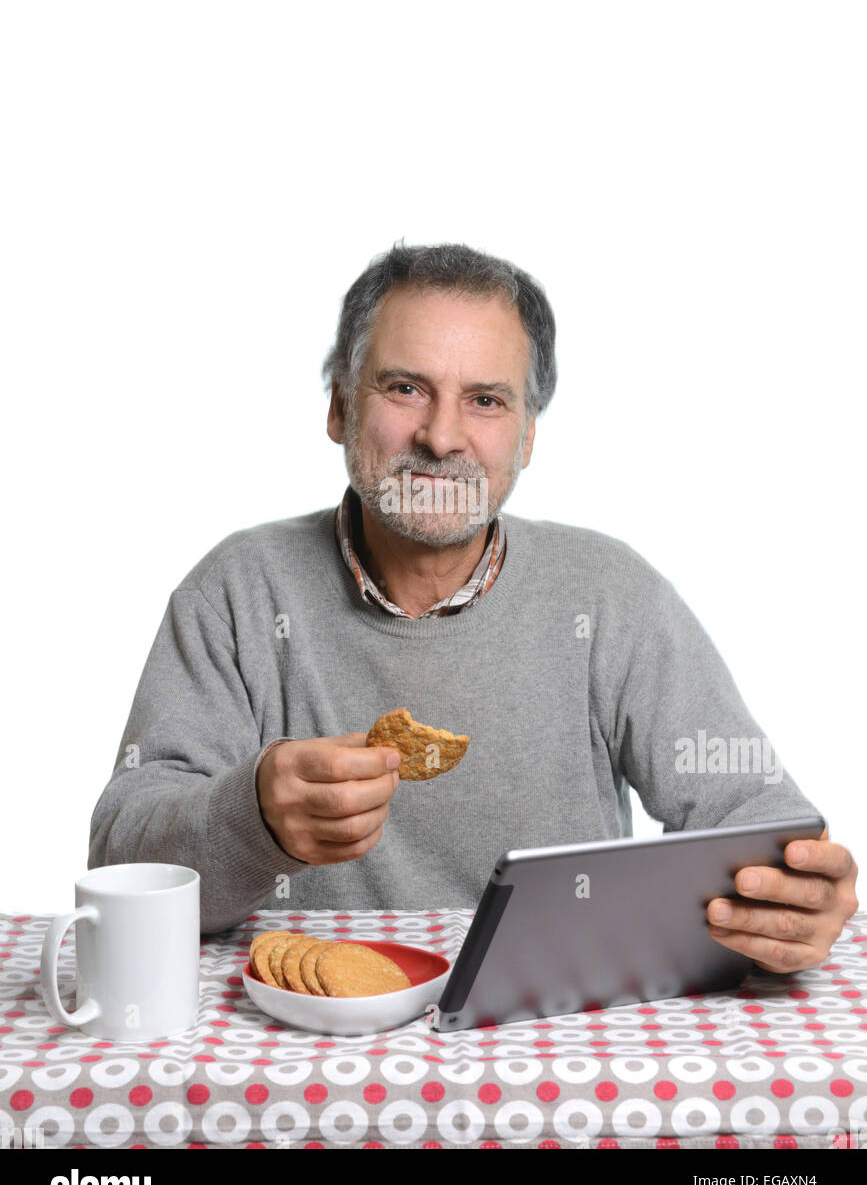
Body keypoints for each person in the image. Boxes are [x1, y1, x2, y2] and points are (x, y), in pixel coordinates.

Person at [89, 241, 858, 965]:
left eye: (485, 400)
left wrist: (796, 892)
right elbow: (122, 861)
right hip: (303, 1044)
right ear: (338, 409)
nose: (441, 435)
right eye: (404, 388)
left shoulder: (609, 594)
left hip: (556, 1033)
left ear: (526, 438)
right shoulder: (236, 591)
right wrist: (251, 816)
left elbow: (751, 812)